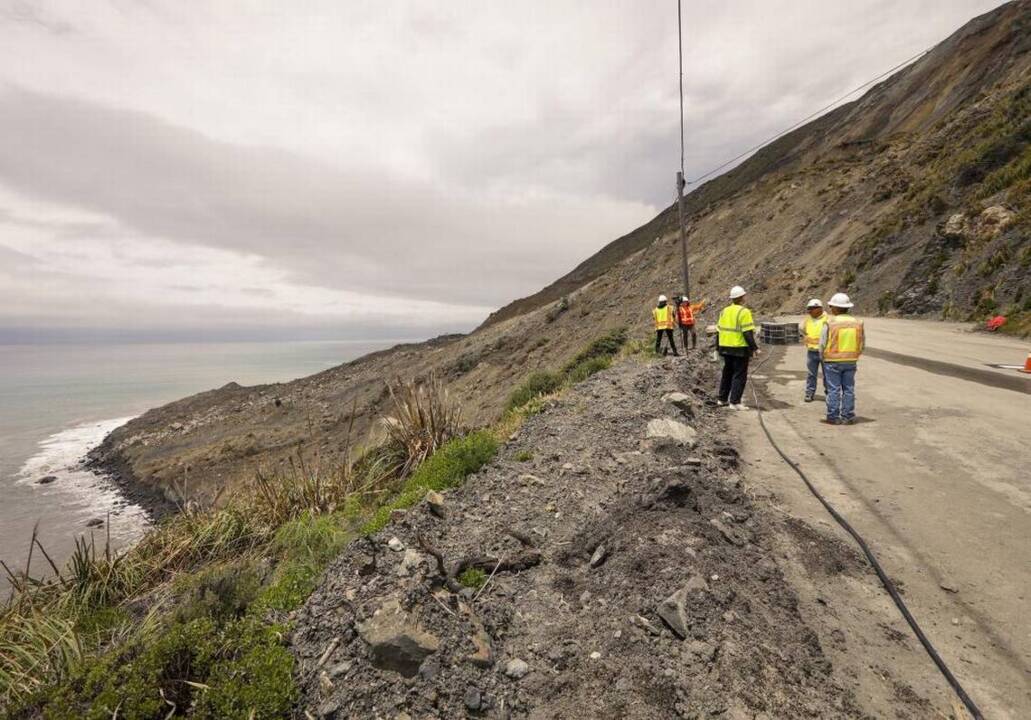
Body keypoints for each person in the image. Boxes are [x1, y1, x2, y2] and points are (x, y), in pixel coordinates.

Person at [820, 292, 864, 425]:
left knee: (834, 389)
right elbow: (862, 343)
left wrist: (822, 356)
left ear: (836, 308)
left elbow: (822, 344)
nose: (830, 309)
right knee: (848, 389)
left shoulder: (829, 323)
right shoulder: (858, 323)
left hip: (832, 362)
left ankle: (833, 417)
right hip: (851, 361)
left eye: (832, 306)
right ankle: (848, 416)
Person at [716, 285, 759, 409]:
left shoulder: (724, 311)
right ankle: (735, 402)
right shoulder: (744, 312)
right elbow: (747, 333)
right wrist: (755, 348)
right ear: (742, 298)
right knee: (739, 375)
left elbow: (718, 331)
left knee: (727, 373)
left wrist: (716, 348)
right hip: (739, 348)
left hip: (725, 347)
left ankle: (722, 399)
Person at [800, 298, 829, 402]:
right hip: (811, 352)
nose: (809, 311)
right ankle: (809, 393)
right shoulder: (807, 320)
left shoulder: (827, 319)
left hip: (825, 352)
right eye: (809, 309)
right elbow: (801, 329)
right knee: (811, 374)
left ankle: (829, 394)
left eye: (811, 309)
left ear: (819, 309)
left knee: (827, 374)